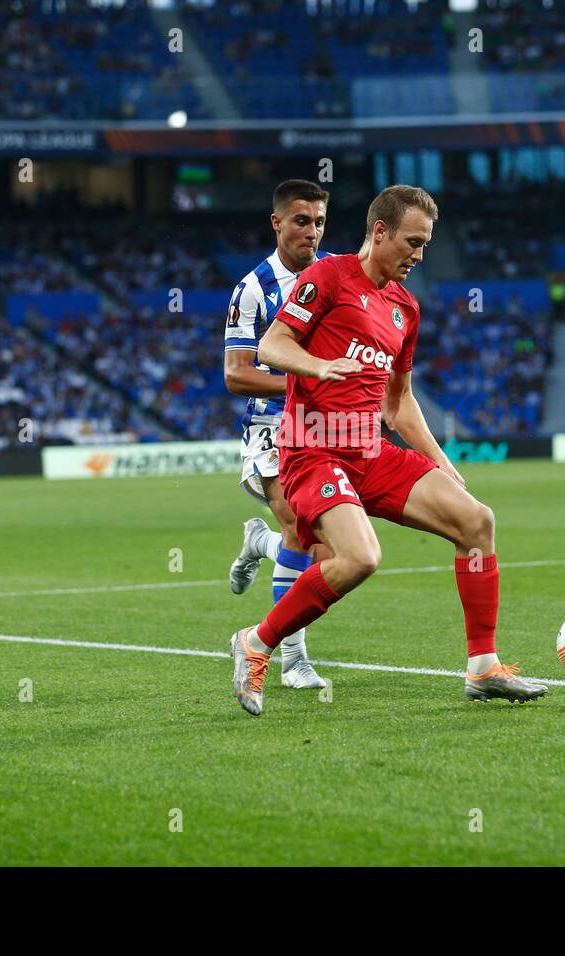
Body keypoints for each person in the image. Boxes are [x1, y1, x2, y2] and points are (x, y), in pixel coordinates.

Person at [228, 184, 547, 716]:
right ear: (379, 232)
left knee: (476, 522)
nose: (419, 256)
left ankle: (483, 667)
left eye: (425, 245)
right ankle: (256, 643)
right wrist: (317, 366)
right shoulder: (326, 278)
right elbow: (270, 346)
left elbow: (399, 404)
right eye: (412, 242)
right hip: (313, 448)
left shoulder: (404, 308)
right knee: (360, 557)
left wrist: (441, 462)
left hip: (370, 451)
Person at [222, 180, 332, 690]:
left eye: (319, 222)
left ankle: (257, 542)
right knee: (299, 528)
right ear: (278, 222)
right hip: (272, 424)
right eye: (301, 221)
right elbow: (236, 373)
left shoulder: (336, 275)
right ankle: (293, 659)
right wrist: (301, 379)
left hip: (328, 424)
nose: (311, 232)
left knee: (321, 547)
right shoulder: (252, 289)